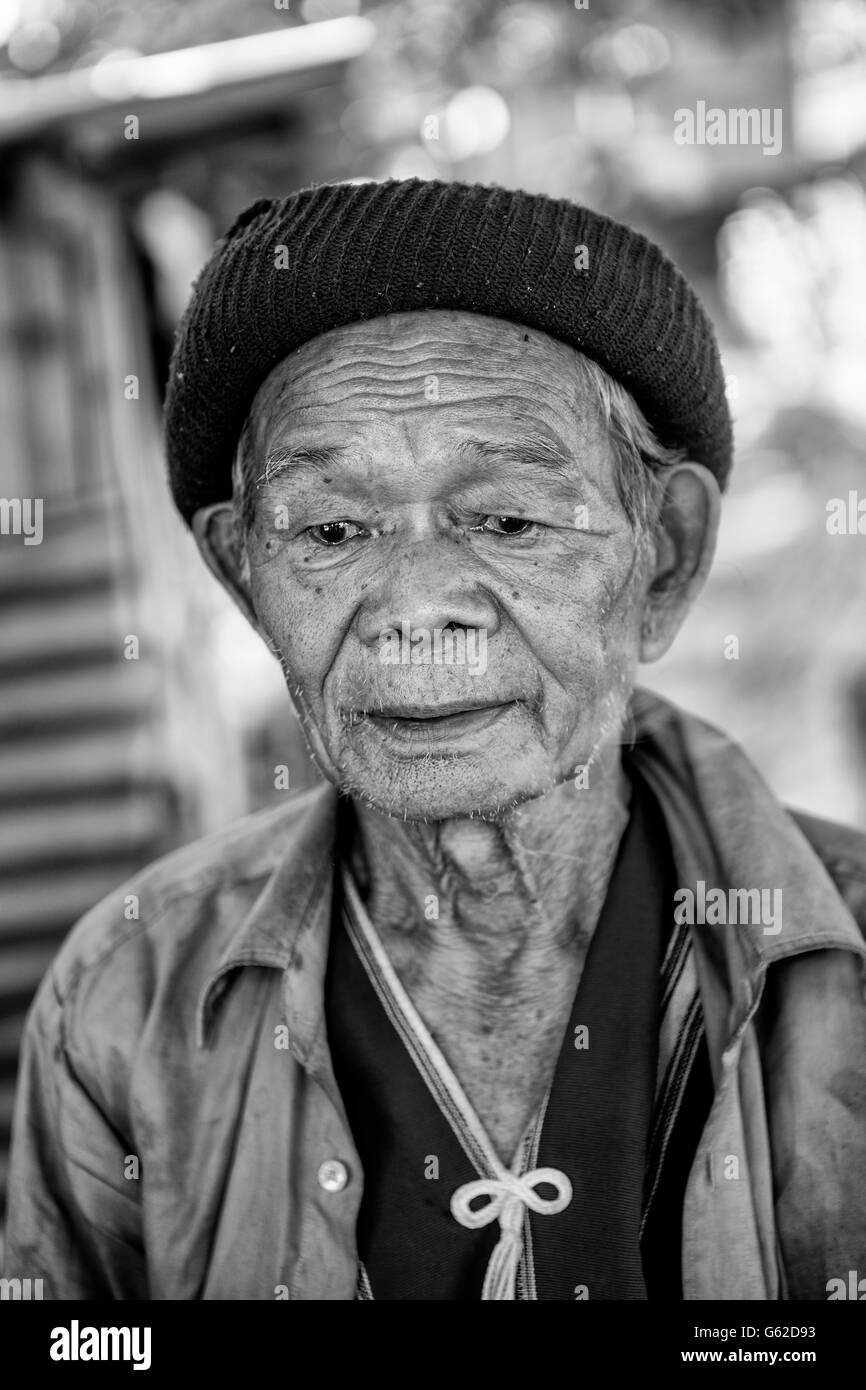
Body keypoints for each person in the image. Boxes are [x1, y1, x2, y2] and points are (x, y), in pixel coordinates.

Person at [6, 178, 866, 1300]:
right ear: (243, 575)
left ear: (663, 557)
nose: (415, 606)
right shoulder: (128, 996)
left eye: (505, 519)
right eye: (330, 529)